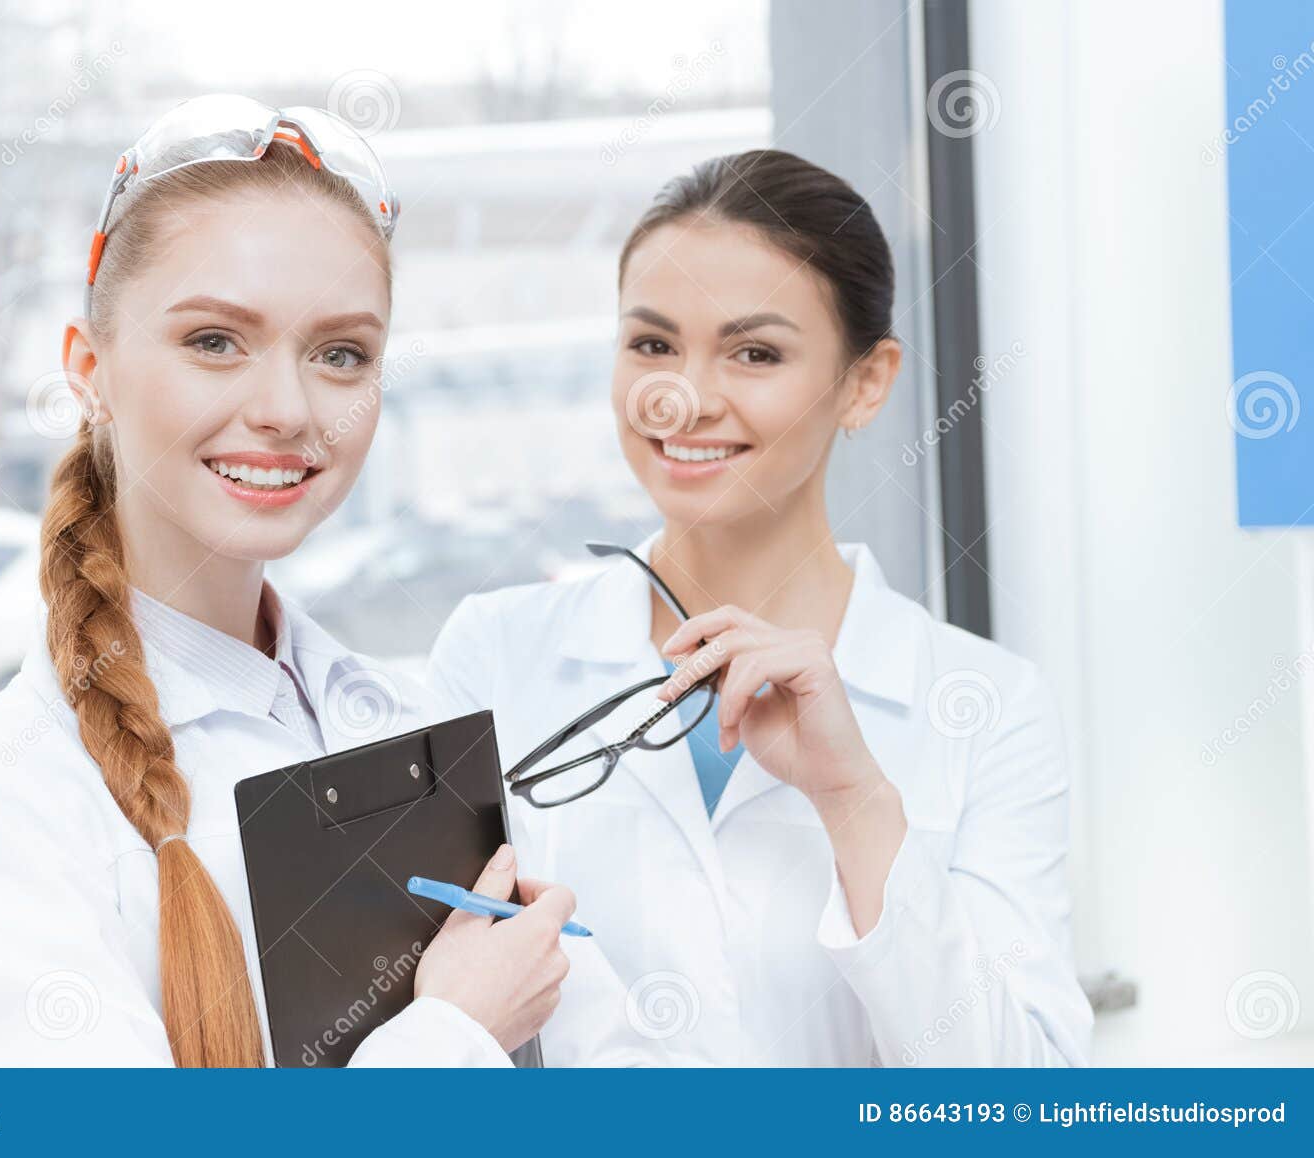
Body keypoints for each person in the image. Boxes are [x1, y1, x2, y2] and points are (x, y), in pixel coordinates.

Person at [0, 96, 578, 1067]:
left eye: (340, 354)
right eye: (215, 341)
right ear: (88, 371)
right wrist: (459, 1031)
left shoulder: (416, 726)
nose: (287, 409)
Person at [429, 150, 1094, 1065]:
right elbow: (430, 1028)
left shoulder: (988, 706)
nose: (682, 398)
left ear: (866, 382)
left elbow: (1025, 1106)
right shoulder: (495, 654)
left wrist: (854, 799)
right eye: (653, 345)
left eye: (755, 353)